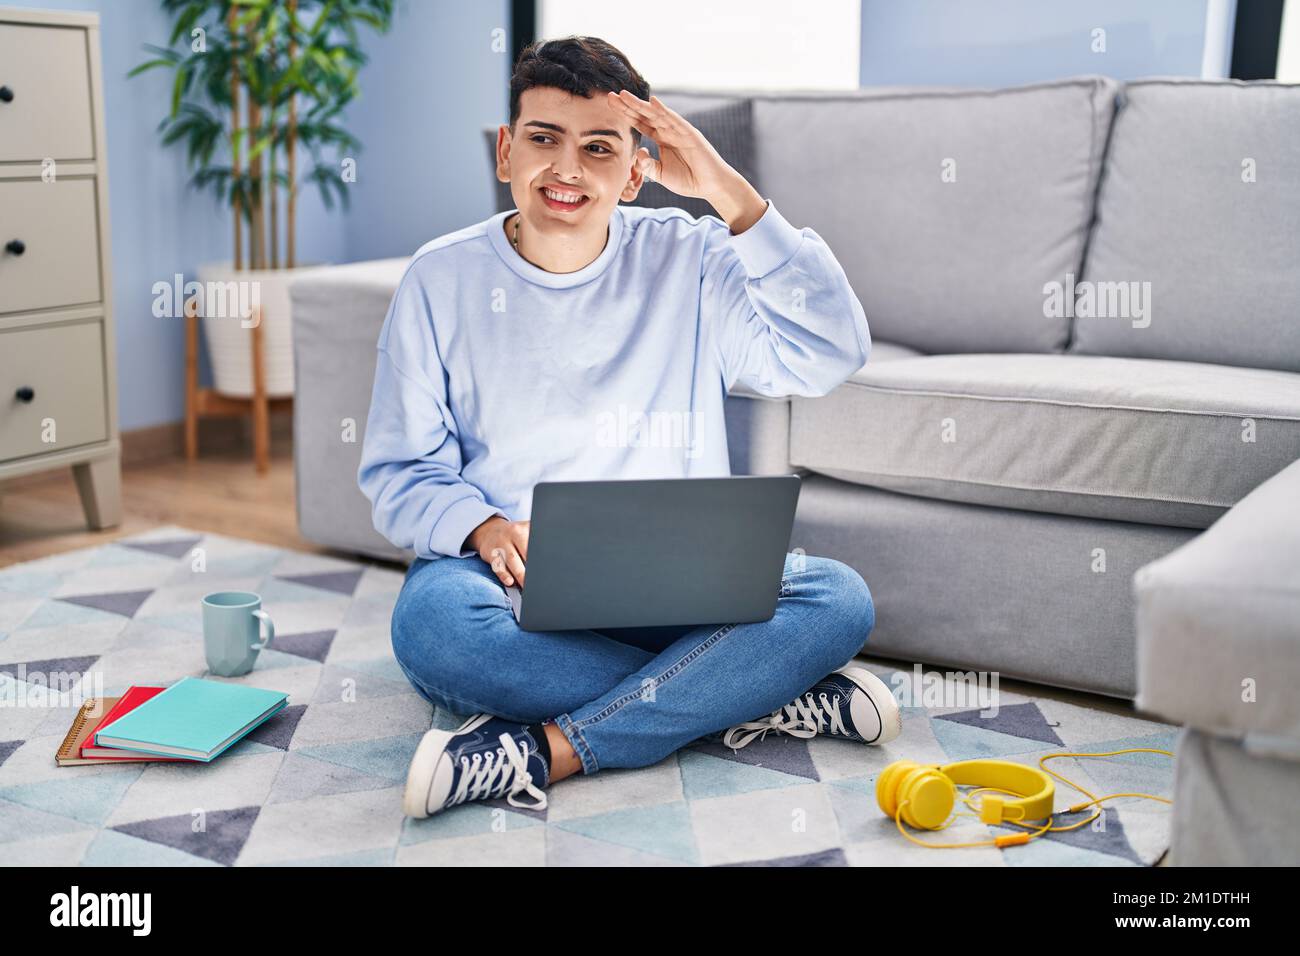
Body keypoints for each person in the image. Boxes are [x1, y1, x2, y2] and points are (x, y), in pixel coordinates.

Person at [358, 36, 899, 819]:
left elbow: (830, 353)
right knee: (435, 631)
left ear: (638, 170)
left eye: (600, 148)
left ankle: (552, 748)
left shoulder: (696, 256)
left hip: (677, 582)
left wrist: (726, 191)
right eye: (543, 139)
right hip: (507, 581)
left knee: (838, 599)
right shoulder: (439, 280)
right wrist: (478, 525)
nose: (567, 169)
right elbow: (399, 469)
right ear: (506, 151)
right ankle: (754, 691)